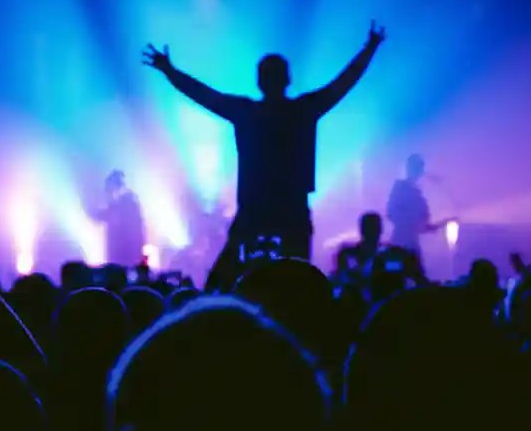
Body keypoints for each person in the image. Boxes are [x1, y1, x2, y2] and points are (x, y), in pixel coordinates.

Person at [143, 21, 386, 283]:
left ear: (259, 80)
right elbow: (343, 83)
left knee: (224, 281)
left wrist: (169, 71)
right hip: (290, 206)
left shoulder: (248, 112)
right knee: (297, 280)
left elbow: (203, 95)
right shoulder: (302, 110)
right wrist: (369, 48)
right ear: (288, 79)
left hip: (256, 206)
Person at [386, 153, 448, 260]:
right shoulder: (401, 189)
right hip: (402, 244)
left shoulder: (410, 190)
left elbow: (418, 223)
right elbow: (393, 214)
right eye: (419, 168)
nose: (421, 172)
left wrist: (435, 226)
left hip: (409, 243)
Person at [90, 170, 146, 268]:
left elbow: (107, 216)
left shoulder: (126, 202)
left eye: (109, 187)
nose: (108, 191)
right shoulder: (125, 201)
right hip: (124, 252)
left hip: (125, 252)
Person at [336, 212, 385, 277]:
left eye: (374, 227)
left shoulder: (389, 255)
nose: (371, 231)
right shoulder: (347, 254)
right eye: (369, 227)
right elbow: (340, 276)